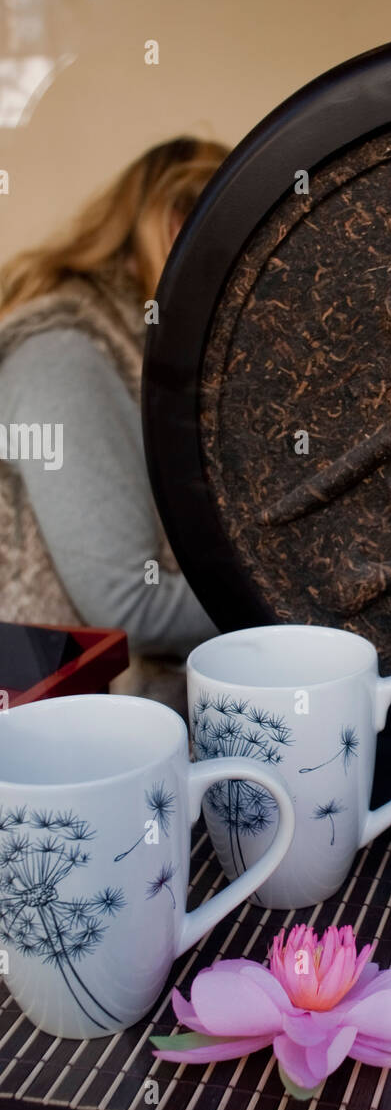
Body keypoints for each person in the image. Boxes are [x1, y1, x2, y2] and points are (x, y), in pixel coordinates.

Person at [0, 137, 227, 711]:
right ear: (177, 227)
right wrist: (298, 607)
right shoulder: (66, 355)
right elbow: (130, 606)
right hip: (53, 750)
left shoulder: (146, 355)